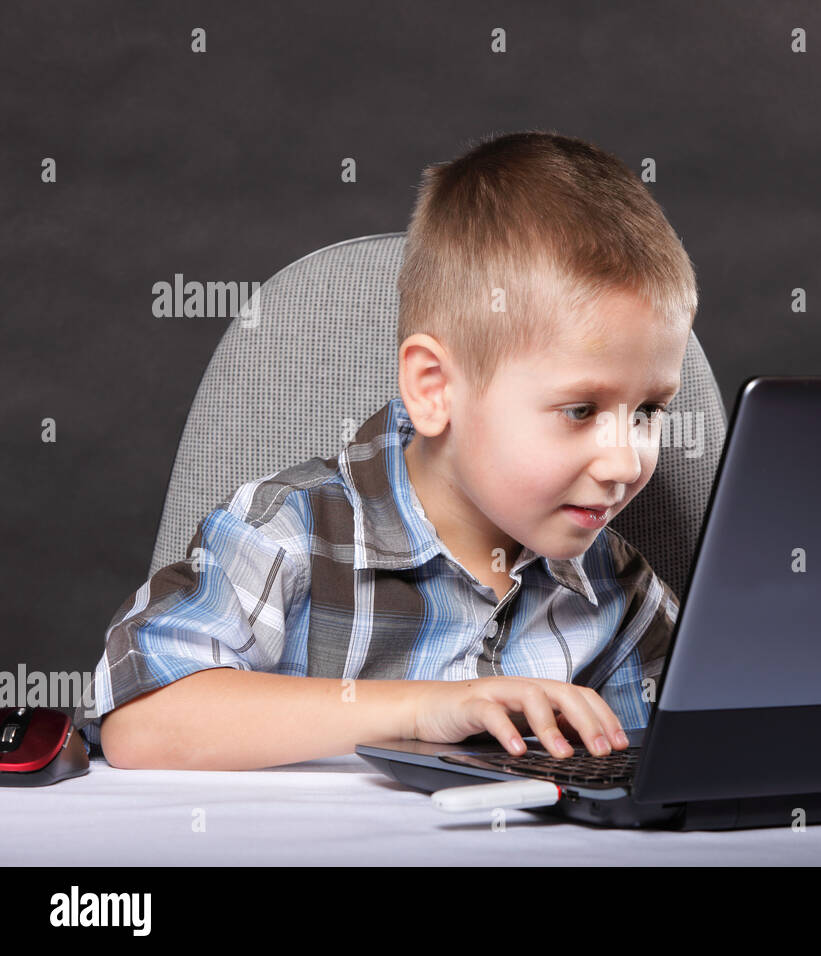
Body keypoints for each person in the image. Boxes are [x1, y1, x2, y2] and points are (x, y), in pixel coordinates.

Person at [80, 130, 698, 770]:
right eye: (580, 410)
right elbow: (141, 717)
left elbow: (682, 758)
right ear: (434, 390)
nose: (625, 464)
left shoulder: (619, 592)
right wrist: (422, 708)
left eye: (648, 411)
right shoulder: (288, 532)